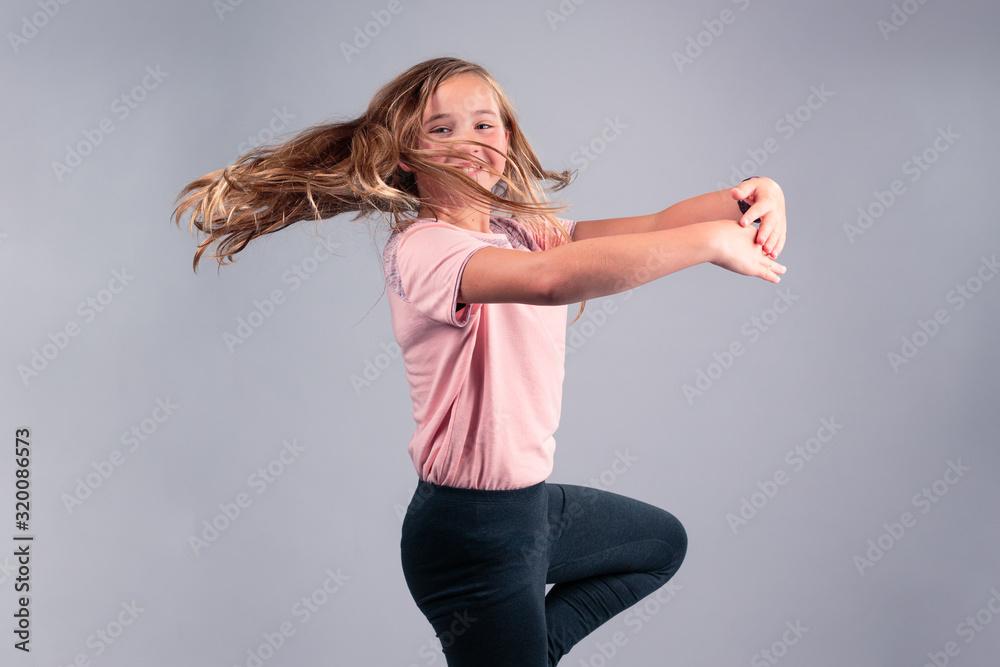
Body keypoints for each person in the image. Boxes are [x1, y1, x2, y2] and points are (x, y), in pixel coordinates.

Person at [172, 56, 787, 666]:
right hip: (468, 534)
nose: (468, 141)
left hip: (530, 512)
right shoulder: (423, 248)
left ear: (509, 140)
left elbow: (655, 224)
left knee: (659, 544)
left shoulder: (524, 229)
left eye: (484, 125)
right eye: (441, 129)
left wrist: (750, 199)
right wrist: (707, 244)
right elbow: (549, 281)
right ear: (406, 154)